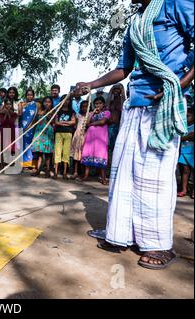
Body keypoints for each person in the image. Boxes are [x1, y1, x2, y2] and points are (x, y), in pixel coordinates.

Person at [78, 0, 194, 269]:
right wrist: (90, 85)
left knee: (154, 174)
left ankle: (159, 244)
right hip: (135, 104)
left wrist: (180, 83)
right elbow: (124, 69)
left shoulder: (176, 4)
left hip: (163, 102)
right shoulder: (135, 22)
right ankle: (120, 234)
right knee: (126, 172)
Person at [80, 97, 111, 185]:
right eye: (96, 104)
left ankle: (103, 177)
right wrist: (92, 113)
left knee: (101, 155)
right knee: (88, 153)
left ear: (103, 104)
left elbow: (103, 122)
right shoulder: (91, 113)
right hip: (90, 137)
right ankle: (86, 176)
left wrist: (91, 124)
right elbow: (86, 123)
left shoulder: (107, 112)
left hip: (101, 138)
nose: (98, 105)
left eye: (100, 103)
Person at [53, 95, 76, 179]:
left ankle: (65, 172)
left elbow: (73, 122)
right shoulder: (58, 111)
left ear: (69, 101)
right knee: (57, 151)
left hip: (68, 133)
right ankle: (55, 172)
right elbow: (56, 122)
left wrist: (62, 122)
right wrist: (67, 123)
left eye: (67, 100)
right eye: (64, 100)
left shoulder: (72, 111)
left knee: (66, 152)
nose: (66, 102)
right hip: (59, 133)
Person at [31, 96, 54, 177]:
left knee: (47, 154)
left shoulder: (53, 111)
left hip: (48, 133)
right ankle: (38, 169)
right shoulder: (39, 111)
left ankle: (47, 170)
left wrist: (48, 111)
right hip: (39, 132)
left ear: (51, 103)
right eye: (45, 102)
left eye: (49, 102)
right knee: (39, 152)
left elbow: (52, 120)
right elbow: (36, 120)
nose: (47, 103)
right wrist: (44, 111)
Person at [18, 89, 40, 169]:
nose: (29, 96)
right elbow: (19, 115)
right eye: (28, 95)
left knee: (30, 145)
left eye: (31, 95)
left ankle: (31, 163)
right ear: (25, 96)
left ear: (33, 96)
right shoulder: (22, 104)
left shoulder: (36, 104)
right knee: (22, 145)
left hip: (32, 128)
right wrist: (20, 106)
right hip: (22, 127)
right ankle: (23, 163)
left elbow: (38, 115)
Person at [177, 107, 194, 198]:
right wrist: (187, 137)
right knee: (185, 171)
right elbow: (181, 138)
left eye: (188, 116)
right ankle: (184, 189)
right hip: (184, 151)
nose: (186, 118)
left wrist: (185, 137)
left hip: (192, 152)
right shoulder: (183, 127)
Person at [70, 100, 89, 179]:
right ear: (81, 107)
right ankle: (75, 172)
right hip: (77, 136)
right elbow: (75, 126)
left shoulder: (90, 115)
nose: (84, 108)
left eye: (86, 106)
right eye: (83, 106)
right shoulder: (78, 115)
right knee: (76, 155)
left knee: (83, 155)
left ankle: (83, 173)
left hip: (86, 136)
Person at [107, 83, 126, 154]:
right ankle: (108, 162)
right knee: (108, 145)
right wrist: (111, 89)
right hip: (109, 125)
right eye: (115, 89)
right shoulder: (110, 101)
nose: (116, 91)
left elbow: (123, 106)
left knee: (115, 146)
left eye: (118, 89)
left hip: (118, 126)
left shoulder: (122, 101)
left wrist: (122, 90)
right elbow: (107, 105)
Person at [0, 99, 18, 164]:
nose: (8, 106)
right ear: (4, 105)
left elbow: (11, 122)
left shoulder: (14, 114)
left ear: (12, 106)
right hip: (3, 130)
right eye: (7, 104)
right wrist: (5, 115)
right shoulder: (1, 113)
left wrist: (8, 114)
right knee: (2, 146)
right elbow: (2, 122)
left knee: (11, 146)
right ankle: (2, 162)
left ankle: (11, 162)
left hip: (11, 131)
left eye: (10, 104)